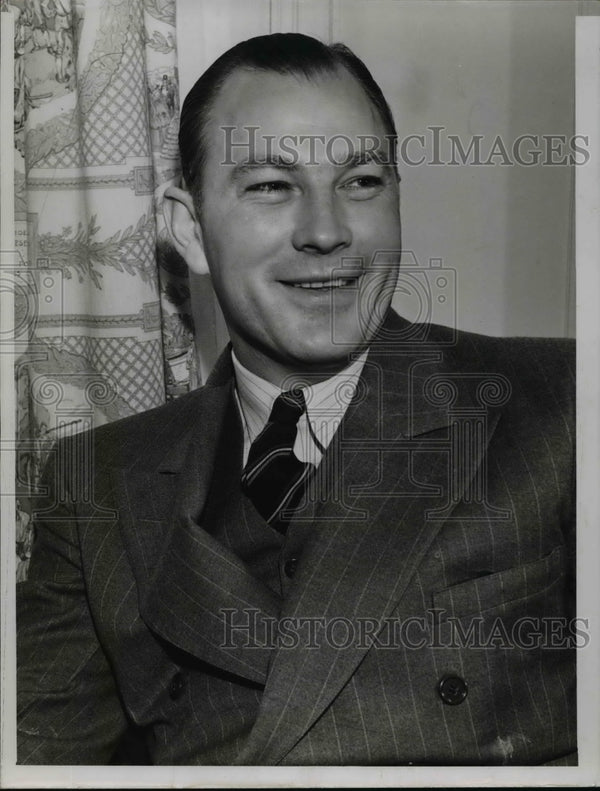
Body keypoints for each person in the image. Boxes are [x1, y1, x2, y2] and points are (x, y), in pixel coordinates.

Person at [17, 32, 576, 766]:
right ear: (189, 227)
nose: (326, 231)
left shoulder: (562, 405)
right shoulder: (95, 482)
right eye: (272, 186)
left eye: (363, 181)